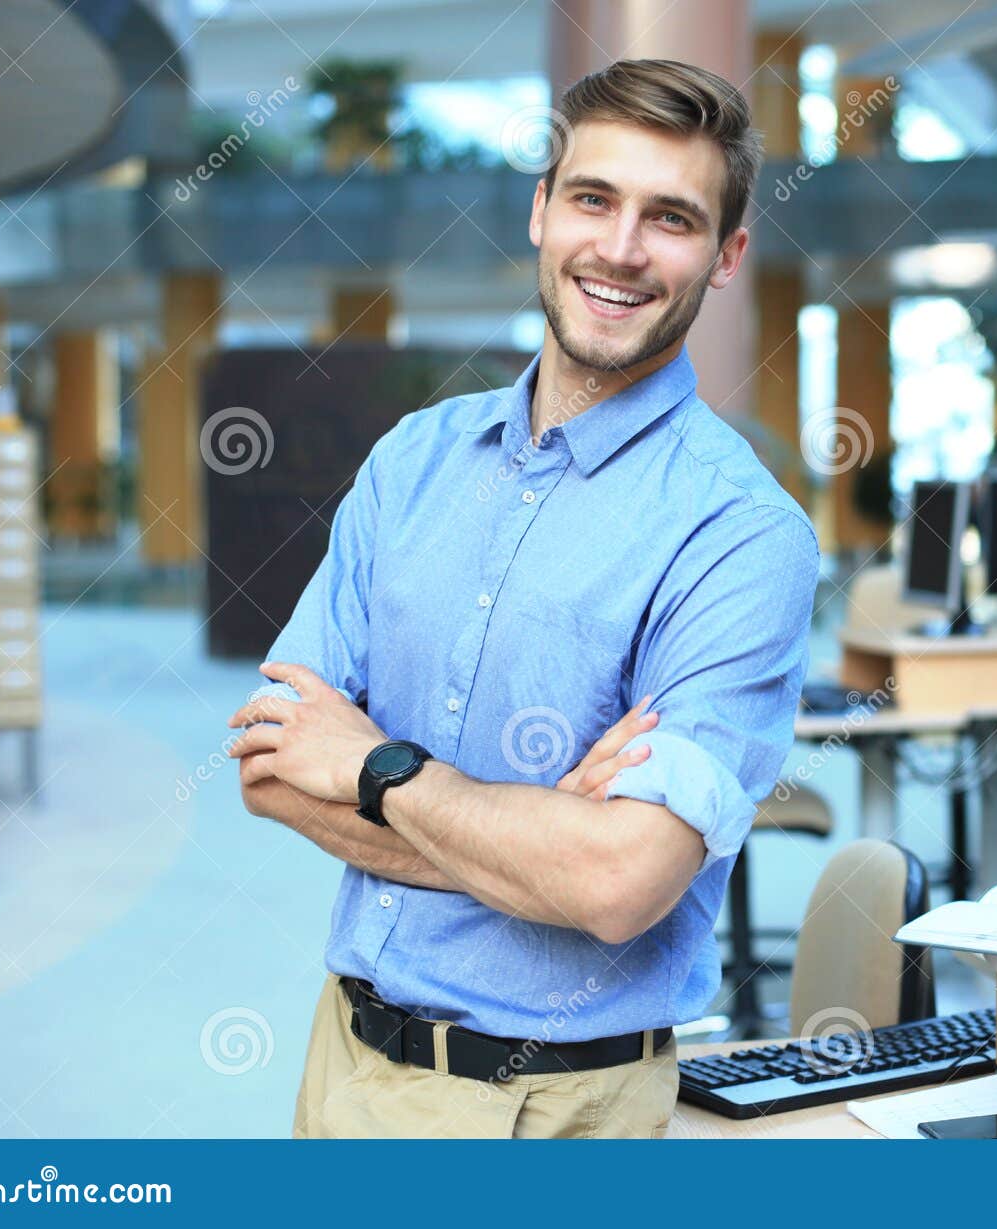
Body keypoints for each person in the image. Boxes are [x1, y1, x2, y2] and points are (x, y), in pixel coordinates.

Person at [226, 59, 819, 1138]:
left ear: (727, 254)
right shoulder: (412, 459)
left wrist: (373, 762)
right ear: (542, 212)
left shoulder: (741, 534)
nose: (622, 247)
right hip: (342, 1069)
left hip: (558, 1112)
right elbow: (272, 763)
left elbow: (618, 883)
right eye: (593, 198)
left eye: (671, 217)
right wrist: (537, 837)